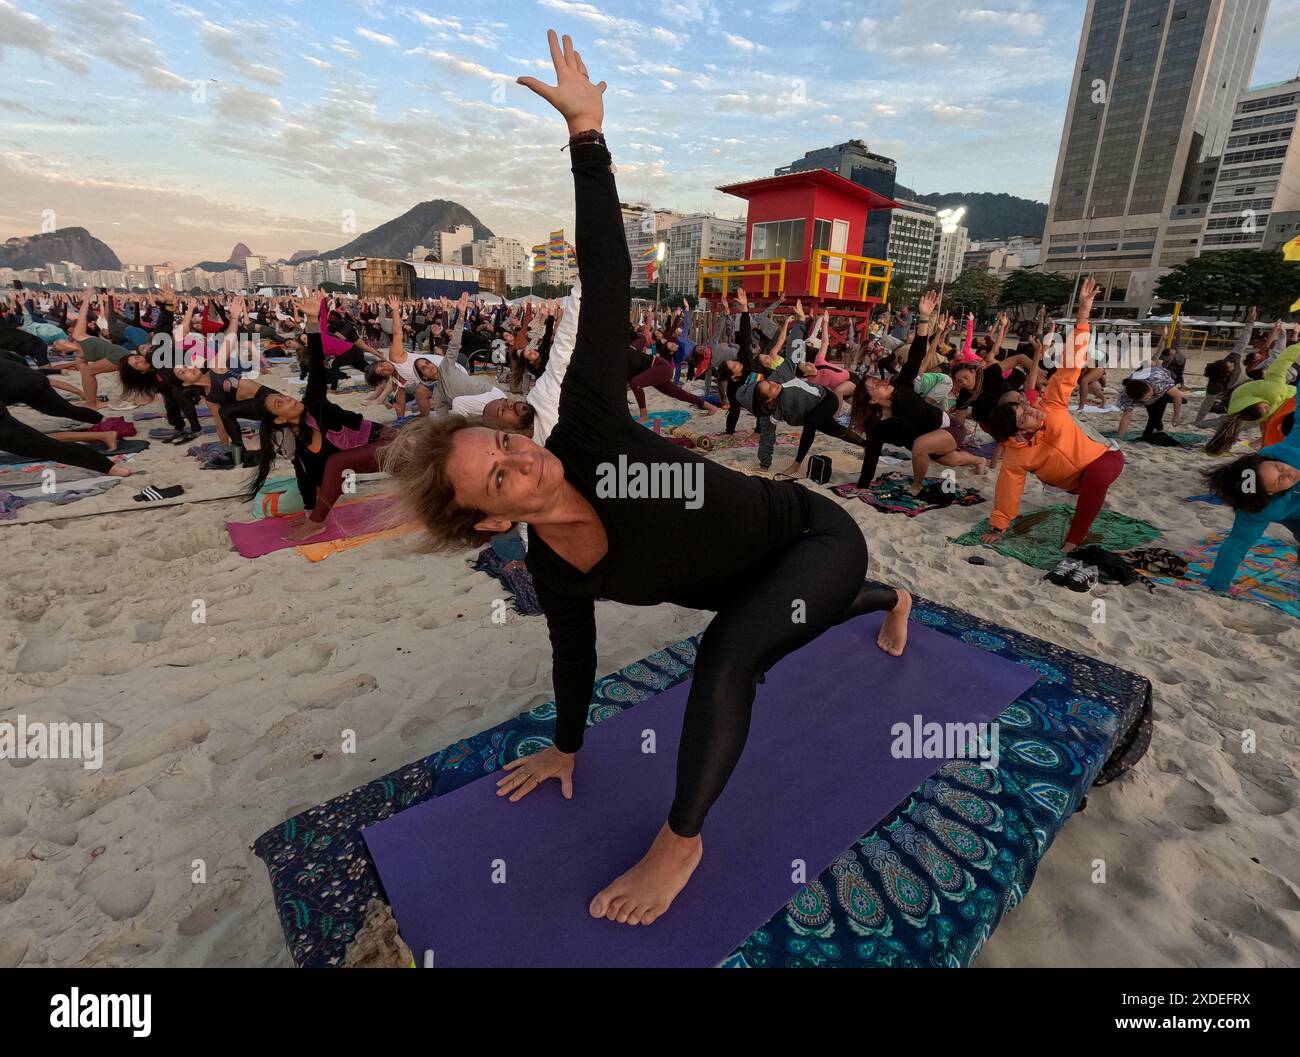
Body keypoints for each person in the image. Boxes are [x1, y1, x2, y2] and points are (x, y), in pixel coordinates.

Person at [384, 30, 911, 928]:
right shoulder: (553, 567)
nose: (522, 458)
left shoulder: (585, 420)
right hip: (762, 582)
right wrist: (565, 747)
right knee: (799, 614)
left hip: (810, 534)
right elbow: (573, 651)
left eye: (507, 447)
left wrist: (587, 137)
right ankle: (888, 597)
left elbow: (609, 272)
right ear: (486, 526)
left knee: (730, 655)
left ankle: (682, 841)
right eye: (499, 480)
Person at [981, 278, 1124, 553]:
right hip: (1071, 483)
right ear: (1019, 432)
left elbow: (1071, 366)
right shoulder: (1017, 455)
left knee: (1097, 475)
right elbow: (1008, 489)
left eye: (1023, 406)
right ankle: (1093, 499)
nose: (1030, 410)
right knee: (1090, 487)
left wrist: (1083, 315)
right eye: (1024, 417)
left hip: (1104, 457)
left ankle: (1075, 538)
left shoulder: (1051, 405)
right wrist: (998, 527)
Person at [245, 293, 395, 541]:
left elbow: (316, 364)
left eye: (284, 395)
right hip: (372, 458)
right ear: (279, 420)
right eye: (281, 403)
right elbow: (303, 479)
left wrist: (313, 321)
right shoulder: (299, 449)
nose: (290, 398)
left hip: (387, 440)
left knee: (339, 464)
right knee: (333, 466)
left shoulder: (313, 404)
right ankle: (314, 522)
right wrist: (308, 512)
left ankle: (316, 524)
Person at [850, 290, 988, 494]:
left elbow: (915, 356)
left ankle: (916, 486)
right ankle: (979, 460)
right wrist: (863, 485)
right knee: (950, 459)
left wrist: (923, 318)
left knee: (921, 446)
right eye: (874, 387)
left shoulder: (902, 386)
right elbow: (872, 453)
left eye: (878, 381)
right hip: (929, 439)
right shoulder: (879, 427)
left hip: (949, 428)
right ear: (871, 401)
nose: (881, 384)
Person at [1202, 415, 1299, 592]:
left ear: (1266, 460)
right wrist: (1218, 585)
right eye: (1278, 481)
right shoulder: (1261, 509)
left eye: (1279, 468)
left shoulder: (1292, 448)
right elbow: (1236, 544)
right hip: (1291, 510)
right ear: (1270, 493)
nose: (1288, 473)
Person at [0, 353, 133, 477]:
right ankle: (105, 428)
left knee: (44, 443)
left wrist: (79, 392)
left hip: (27, 385)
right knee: (61, 417)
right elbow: (20, 363)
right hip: (29, 381)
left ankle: (108, 459)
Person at [1205, 325, 1300, 455]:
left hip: (1283, 384)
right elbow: (1264, 423)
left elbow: (1281, 359)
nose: (1266, 408)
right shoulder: (1245, 409)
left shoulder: (1267, 381)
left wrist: (1294, 343)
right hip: (1281, 392)